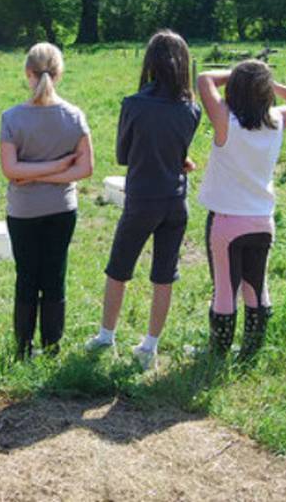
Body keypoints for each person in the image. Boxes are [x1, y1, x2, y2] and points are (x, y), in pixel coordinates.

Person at [85, 30, 201, 370]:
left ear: (150, 62)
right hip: (176, 200)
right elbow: (179, 154)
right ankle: (150, 346)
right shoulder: (191, 109)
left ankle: (106, 335)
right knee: (164, 273)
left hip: (142, 198)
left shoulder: (134, 104)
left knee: (119, 267)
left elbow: (123, 155)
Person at [196, 61, 286, 360]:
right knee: (256, 287)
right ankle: (251, 352)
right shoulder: (276, 121)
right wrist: (268, 81)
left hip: (226, 223)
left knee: (225, 289)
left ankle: (218, 353)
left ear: (234, 90)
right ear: (266, 93)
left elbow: (204, 79)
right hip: (262, 221)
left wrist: (239, 73)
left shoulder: (226, 121)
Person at [0, 43, 93, 359]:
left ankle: (22, 349)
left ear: (27, 73)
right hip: (62, 209)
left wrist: (32, 175)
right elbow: (84, 168)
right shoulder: (75, 116)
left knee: (26, 276)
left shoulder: (11, 118)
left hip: (23, 210)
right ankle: (52, 348)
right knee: (55, 276)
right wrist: (57, 167)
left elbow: (11, 170)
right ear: (59, 74)